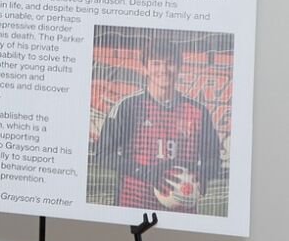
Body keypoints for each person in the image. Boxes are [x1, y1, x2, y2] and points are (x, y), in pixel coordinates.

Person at [94, 41, 223, 211]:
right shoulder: (128, 106)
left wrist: (202, 173)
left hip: (182, 207)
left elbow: (214, 161)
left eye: (170, 63)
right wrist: (145, 172)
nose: (163, 70)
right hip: (134, 204)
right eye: (156, 63)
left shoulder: (199, 111)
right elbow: (103, 154)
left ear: (178, 67)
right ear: (145, 68)